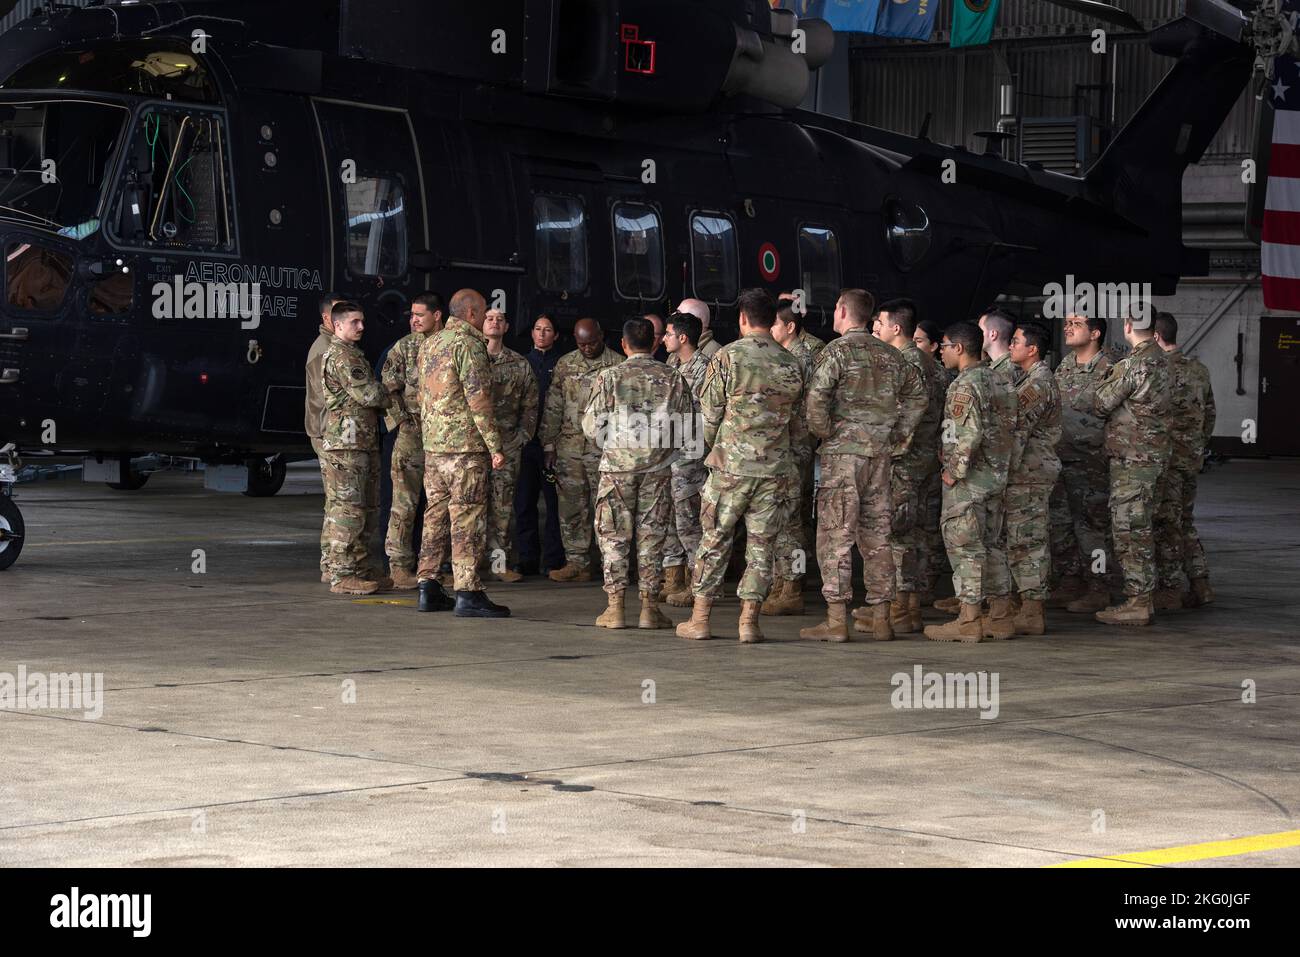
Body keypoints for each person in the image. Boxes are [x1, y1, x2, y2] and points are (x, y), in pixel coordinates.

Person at [676, 289, 806, 643]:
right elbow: (798, 422)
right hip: (775, 469)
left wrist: (718, 447)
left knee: (715, 539)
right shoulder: (793, 362)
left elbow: (711, 414)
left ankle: (700, 620)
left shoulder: (728, 357)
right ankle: (749, 623)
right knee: (762, 547)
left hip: (732, 467)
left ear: (744, 319)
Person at [799, 289, 925, 642]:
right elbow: (918, 396)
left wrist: (826, 432)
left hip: (843, 457)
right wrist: (898, 433)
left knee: (835, 536)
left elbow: (816, 399)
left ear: (841, 311)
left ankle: (837, 620)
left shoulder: (835, 352)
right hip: (879, 457)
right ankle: (883, 618)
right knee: (877, 537)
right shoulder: (891, 355)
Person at [583, 318, 695, 629]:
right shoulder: (673, 377)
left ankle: (615, 608)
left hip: (617, 470)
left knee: (614, 536)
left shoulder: (610, 376)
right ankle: (649, 609)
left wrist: (617, 446)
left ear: (623, 344)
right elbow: (687, 429)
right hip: (657, 469)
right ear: (656, 343)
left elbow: (592, 427)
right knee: (653, 537)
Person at [415, 288, 510, 618]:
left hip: (435, 449)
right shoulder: (469, 344)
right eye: (484, 313)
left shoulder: (430, 343)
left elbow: (421, 396)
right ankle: (467, 591)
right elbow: (479, 400)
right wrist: (495, 447)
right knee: (466, 517)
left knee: (435, 516)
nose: (485, 319)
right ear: (471, 314)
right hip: (465, 450)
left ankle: (428, 586)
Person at [924, 322, 1009, 642]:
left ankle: (970, 619)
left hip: (970, 481)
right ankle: (1000, 617)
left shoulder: (963, 386)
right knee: (993, 546)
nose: (942, 352)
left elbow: (967, 435)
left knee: (966, 548)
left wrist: (953, 471)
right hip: (996, 477)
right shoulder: (1001, 380)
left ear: (959, 348)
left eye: (944, 346)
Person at [1091, 310, 1173, 626]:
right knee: (1144, 526)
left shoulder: (1133, 364)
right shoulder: (1164, 360)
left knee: (1129, 529)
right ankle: (1144, 597)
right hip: (1155, 456)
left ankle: (1138, 601)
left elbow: (1101, 403)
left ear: (1127, 326)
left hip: (1133, 459)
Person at [867, 298, 943, 636]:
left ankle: (897, 607)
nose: (876, 329)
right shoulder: (930, 364)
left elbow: (900, 417)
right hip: (924, 461)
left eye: (880, 323)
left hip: (903, 462)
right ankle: (909, 607)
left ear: (896, 328)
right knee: (913, 535)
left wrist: (885, 451)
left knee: (895, 534)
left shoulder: (903, 365)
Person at [540, 318, 623, 582]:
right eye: (581, 343)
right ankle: (577, 563)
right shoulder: (566, 364)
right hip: (570, 447)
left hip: (604, 448)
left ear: (602, 337)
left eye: (592, 343)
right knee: (571, 507)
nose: (587, 348)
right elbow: (554, 406)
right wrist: (549, 444)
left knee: (607, 508)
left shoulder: (618, 365)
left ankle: (610, 563)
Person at [320, 301, 392, 595]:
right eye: (354, 322)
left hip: (359, 442)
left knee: (364, 507)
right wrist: (394, 388)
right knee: (347, 510)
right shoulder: (342, 356)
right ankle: (342, 574)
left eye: (362, 321)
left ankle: (359, 566)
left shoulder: (352, 354)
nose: (361, 327)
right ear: (337, 325)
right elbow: (370, 394)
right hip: (346, 446)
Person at [1048, 313, 1115, 614]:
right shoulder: (1064, 366)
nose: (1067, 328)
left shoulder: (1109, 369)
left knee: (1092, 528)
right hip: (1061, 459)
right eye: (1067, 323)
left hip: (1091, 463)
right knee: (1060, 524)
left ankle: (1099, 587)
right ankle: (1070, 581)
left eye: (1076, 324)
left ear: (1095, 333)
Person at [1152, 312, 1217, 609]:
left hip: (1167, 459)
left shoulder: (1160, 369)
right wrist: (1198, 445)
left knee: (1167, 525)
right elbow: (1210, 413)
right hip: (1190, 458)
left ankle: (1170, 589)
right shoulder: (1199, 369)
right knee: (1186, 522)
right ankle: (1200, 583)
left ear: (1155, 337)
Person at [380, 292, 443, 589]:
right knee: (404, 503)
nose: (414, 319)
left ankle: (436, 564)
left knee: (442, 504)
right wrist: (401, 421)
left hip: (444, 435)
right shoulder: (404, 347)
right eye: (412, 315)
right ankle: (399, 566)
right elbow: (388, 389)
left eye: (420, 314)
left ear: (437, 315)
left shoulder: (449, 345)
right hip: (412, 435)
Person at [965, 305, 1020, 639]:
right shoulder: (994, 372)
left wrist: (956, 468)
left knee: (979, 540)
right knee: (990, 540)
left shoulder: (1004, 374)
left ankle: (982, 610)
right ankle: (993, 609)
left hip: (989, 471)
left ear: (992, 334)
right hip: (995, 471)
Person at [762, 301, 821, 617]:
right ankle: (781, 579)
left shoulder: (800, 359)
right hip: (786, 445)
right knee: (780, 516)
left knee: (790, 519)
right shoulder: (786, 357)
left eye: (774, 324)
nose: (770, 330)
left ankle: (792, 584)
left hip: (795, 446)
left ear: (790, 327)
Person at [1004, 323, 1062, 635]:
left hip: (1029, 473)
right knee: (1021, 538)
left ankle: (1032, 609)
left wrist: (999, 470)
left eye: (1015, 341)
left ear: (1032, 349)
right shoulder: (1031, 379)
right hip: (1029, 472)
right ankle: (1022, 603)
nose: (1010, 346)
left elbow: (1017, 433)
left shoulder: (1037, 384)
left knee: (1028, 540)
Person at [484, 308, 539, 584]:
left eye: (500, 319)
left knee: (502, 507)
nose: (494, 322)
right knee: (463, 506)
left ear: (506, 327)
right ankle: (453, 565)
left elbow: (530, 406)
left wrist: (520, 439)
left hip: (506, 447)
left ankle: (498, 565)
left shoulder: (519, 364)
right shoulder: (471, 358)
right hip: (472, 445)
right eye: (489, 318)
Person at [661, 311, 711, 606]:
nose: (664, 339)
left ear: (682, 338)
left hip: (690, 457)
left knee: (691, 523)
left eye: (668, 334)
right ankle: (674, 578)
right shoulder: (672, 364)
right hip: (671, 454)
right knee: (673, 519)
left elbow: (708, 414)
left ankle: (698, 584)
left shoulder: (704, 368)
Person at [514, 314, 565, 575]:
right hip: (526, 443)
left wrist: (553, 442)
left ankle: (553, 560)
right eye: (537, 329)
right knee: (524, 502)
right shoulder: (522, 363)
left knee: (554, 503)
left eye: (548, 329)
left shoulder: (562, 364)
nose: (542, 333)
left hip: (552, 445)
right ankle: (527, 557)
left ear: (555, 335)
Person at [306, 293, 341, 582]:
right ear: (327, 318)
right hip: (328, 433)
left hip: (331, 433)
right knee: (336, 501)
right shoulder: (324, 350)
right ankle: (330, 564)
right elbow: (326, 398)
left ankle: (332, 563)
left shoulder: (334, 347)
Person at [666, 299, 721, 367]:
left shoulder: (716, 353)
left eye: (679, 314)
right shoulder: (676, 351)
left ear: (693, 320)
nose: (673, 315)